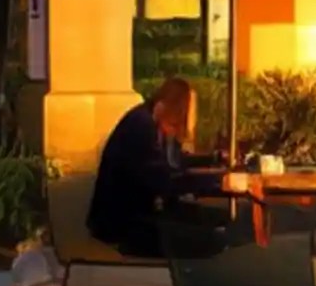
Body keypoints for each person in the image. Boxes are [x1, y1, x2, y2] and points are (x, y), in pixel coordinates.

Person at [86, 77, 226, 257]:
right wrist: (214, 181)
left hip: (139, 215)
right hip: (123, 224)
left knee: (213, 220)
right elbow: (163, 181)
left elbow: (174, 163)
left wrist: (211, 161)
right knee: (207, 238)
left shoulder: (150, 121)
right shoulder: (141, 126)